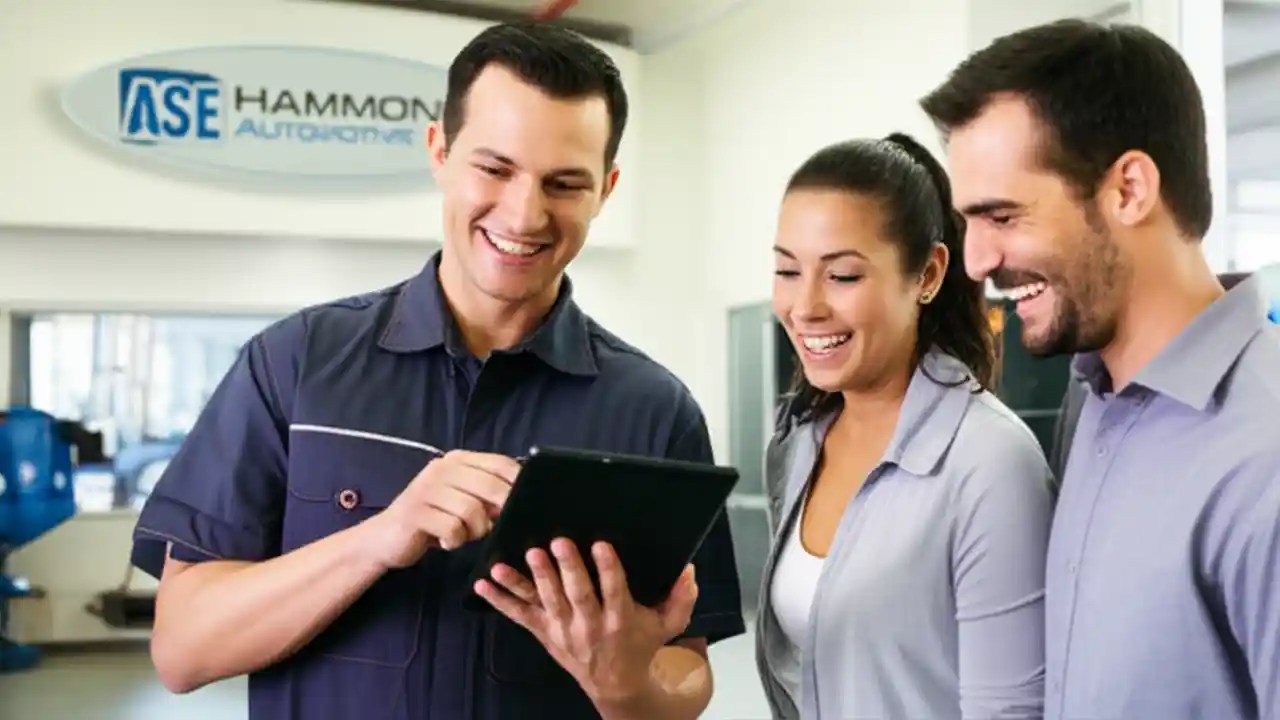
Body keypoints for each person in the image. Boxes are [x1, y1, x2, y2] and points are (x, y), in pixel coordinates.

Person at [129, 21, 745, 720]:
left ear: (605, 189)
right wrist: (378, 539)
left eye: (565, 183)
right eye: (495, 168)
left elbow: (687, 672)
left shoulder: (655, 411)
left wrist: (627, 684)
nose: (524, 212)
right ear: (439, 152)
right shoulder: (295, 365)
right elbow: (181, 650)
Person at [920, 19, 1280, 720]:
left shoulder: (1264, 455)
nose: (975, 262)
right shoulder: (1095, 405)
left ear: (1129, 190)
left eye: (1002, 215)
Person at [755, 133, 1056, 719]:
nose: (806, 305)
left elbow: (1013, 712)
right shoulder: (796, 444)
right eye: (788, 271)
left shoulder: (990, 463)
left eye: (842, 276)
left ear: (928, 274)